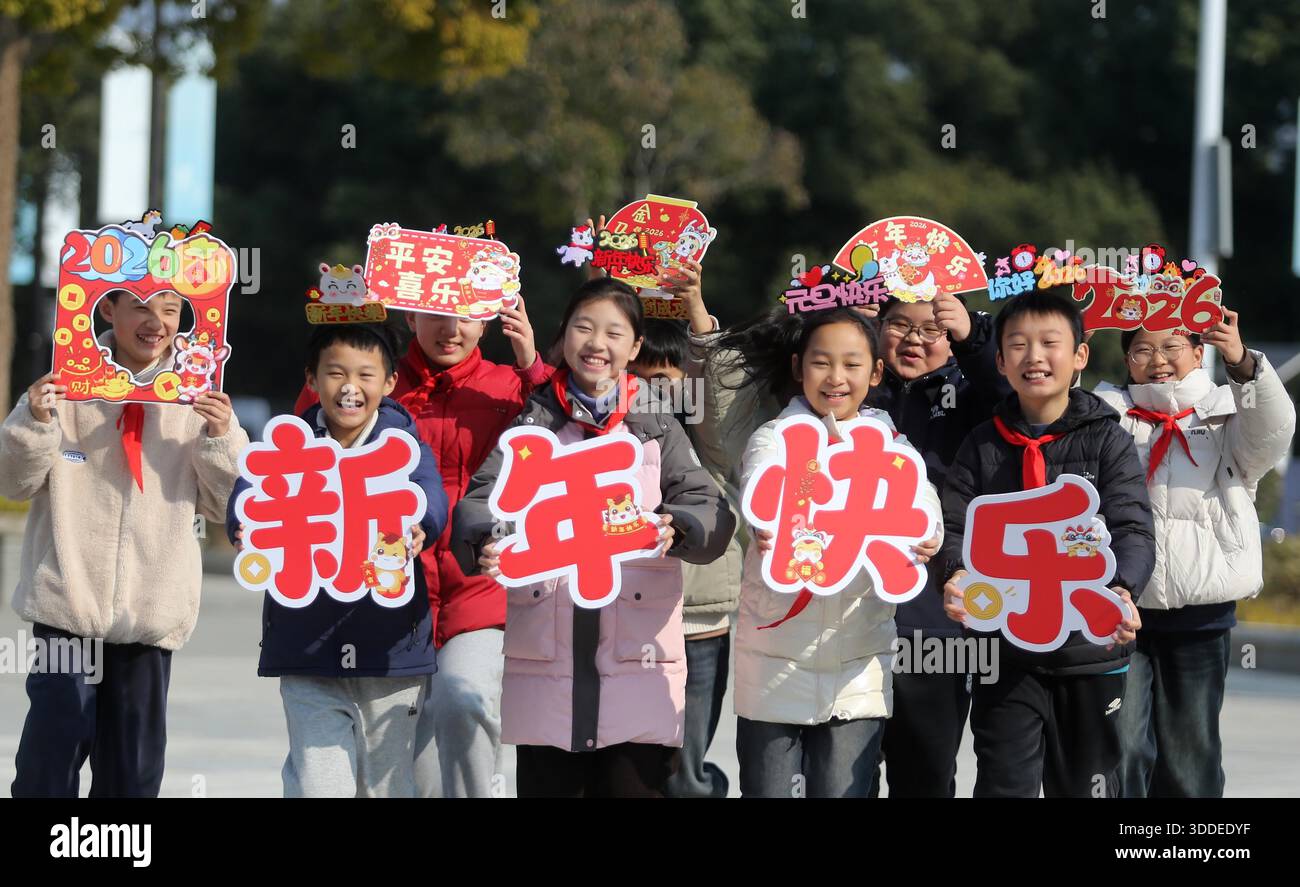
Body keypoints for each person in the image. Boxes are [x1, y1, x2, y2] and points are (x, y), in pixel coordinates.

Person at [453, 278, 735, 797]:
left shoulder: (656, 426)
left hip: (638, 662)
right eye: (583, 327)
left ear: (634, 347)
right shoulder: (533, 425)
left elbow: (709, 507)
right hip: (548, 665)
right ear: (562, 339)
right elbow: (480, 502)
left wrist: (684, 526)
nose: (597, 343)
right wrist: (487, 536)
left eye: (613, 332)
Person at [3, 291, 247, 797]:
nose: (155, 321)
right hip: (68, 605)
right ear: (107, 308)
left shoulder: (197, 393)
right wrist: (35, 421)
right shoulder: (67, 384)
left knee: (133, 772)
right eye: (140, 306)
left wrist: (220, 438)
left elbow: (230, 508)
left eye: (170, 309)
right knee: (51, 752)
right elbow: (13, 484)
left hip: (150, 616)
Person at [940, 288, 1152, 798]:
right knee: (1002, 782)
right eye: (1018, 344)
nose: (1034, 357)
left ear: (1079, 355)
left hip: (1090, 649)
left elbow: (1133, 527)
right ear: (1000, 361)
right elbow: (951, 525)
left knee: (1089, 783)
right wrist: (955, 572)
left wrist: (1123, 588)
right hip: (1005, 651)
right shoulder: (982, 444)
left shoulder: (1108, 438)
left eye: (1049, 343)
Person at [727, 307, 942, 797]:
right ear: (799, 367)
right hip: (773, 660)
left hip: (858, 661)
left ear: (876, 372)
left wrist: (926, 533)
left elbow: (920, 499)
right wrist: (765, 517)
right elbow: (760, 487)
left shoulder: (894, 445)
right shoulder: (775, 438)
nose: (836, 378)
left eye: (852, 364)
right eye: (822, 363)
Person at [228, 323, 449, 797]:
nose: (350, 387)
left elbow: (432, 498)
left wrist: (420, 526)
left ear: (390, 383)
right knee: (317, 784)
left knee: (385, 786)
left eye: (366, 375)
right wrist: (242, 526)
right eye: (335, 373)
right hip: (306, 649)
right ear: (312, 379)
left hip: (391, 653)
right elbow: (250, 493)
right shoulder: (285, 446)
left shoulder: (405, 448)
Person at [1094, 314, 1295, 797]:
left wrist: (1242, 362)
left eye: (1172, 346)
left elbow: (1274, 430)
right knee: (1122, 747)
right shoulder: (1105, 414)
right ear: (1127, 360)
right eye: (1143, 349)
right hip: (1121, 609)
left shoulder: (1228, 412)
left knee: (1191, 753)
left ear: (1197, 350)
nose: (1158, 360)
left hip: (1202, 613)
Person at [867, 293, 1010, 796]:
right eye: (899, 324)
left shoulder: (971, 397)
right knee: (844, 768)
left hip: (935, 617)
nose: (912, 339)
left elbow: (1006, 395)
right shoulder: (849, 390)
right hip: (850, 609)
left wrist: (973, 339)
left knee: (924, 771)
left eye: (931, 330)